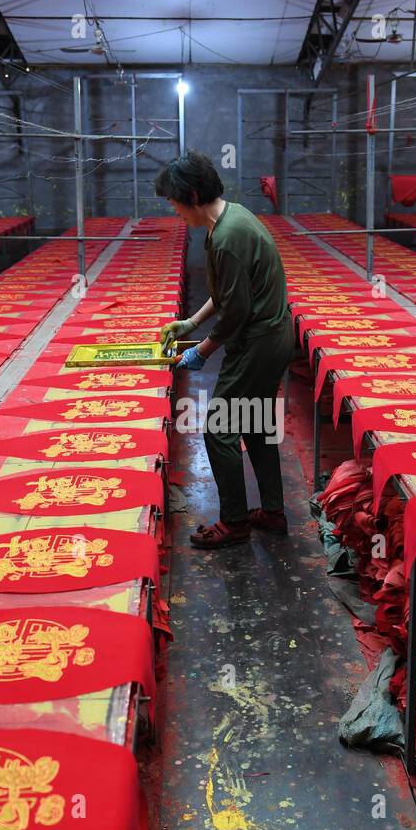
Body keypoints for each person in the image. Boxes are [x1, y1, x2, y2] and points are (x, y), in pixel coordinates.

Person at [154, 151, 294, 549]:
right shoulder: (229, 220)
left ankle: (234, 522)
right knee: (257, 424)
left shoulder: (228, 237)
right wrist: (192, 323)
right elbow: (227, 294)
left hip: (258, 342)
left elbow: (236, 314)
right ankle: (272, 510)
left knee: (219, 430)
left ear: (193, 195)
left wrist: (202, 349)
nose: (174, 210)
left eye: (175, 202)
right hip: (271, 336)